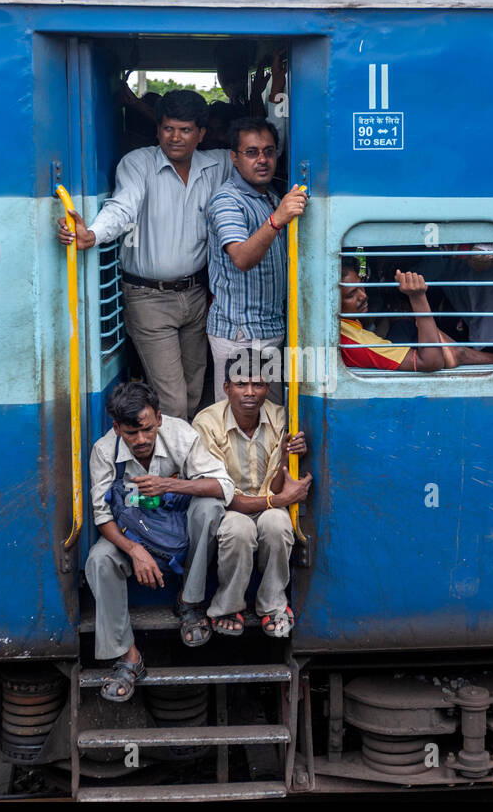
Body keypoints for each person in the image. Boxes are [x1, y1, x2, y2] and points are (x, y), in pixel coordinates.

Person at [58, 89, 232, 420]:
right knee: (174, 401)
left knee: (196, 393)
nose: (175, 137)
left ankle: (182, 467)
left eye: (185, 130)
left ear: (201, 134)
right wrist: (93, 234)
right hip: (148, 298)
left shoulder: (218, 164)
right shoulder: (139, 163)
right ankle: (172, 471)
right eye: (168, 128)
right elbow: (122, 206)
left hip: (196, 296)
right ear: (158, 129)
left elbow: (265, 150)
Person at [83, 382, 234, 702]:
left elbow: (223, 488)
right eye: (130, 433)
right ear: (116, 427)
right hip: (131, 537)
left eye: (147, 430)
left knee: (209, 509)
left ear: (159, 419)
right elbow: (102, 517)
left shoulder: (181, 435)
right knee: (99, 559)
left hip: (178, 530)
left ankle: (190, 603)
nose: (140, 440)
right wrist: (134, 550)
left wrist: (169, 485)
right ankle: (128, 656)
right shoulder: (104, 450)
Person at [192, 349, 313, 638]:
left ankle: (272, 605)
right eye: (240, 384)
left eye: (257, 385)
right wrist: (278, 501)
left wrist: (287, 456)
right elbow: (224, 495)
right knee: (238, 530)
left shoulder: (281, 418)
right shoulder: (206, 423)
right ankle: (227, 606)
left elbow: (276, 485)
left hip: (268, 502)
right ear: (226, 388)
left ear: (267, 389)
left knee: (278, 524)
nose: (249, 392)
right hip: (230, 508)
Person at [205, 117, 308, 402]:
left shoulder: (271, 196)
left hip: (269, 329)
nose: (262, 159)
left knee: (270, 419)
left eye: (269, 151)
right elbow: (241, 257)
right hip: (242, 333)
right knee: (239, 420)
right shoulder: (227, 200)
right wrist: (277, 220)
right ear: (234, 158)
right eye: (251, 152)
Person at [338, 258, 493, 371]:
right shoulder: (352, 341)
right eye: (351, 294)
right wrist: (417, 298)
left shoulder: (347, 326)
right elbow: (430, 361)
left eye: (361, 286)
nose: (363, 296)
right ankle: (463, 354)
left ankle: (462, 353)